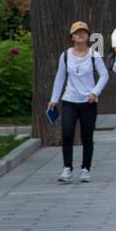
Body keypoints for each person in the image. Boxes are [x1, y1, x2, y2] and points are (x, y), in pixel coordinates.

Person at [48, 21, 109, 184]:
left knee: (87, 136)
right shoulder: (66, 55)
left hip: (88, 102)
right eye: (77, 33)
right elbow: (60, 78)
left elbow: (104, 75)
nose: (80, 35)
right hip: (70, 100)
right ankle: (67, 168)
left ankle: (85, 169)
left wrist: (94, 93)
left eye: (84, 32)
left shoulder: (94, 55)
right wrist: (54, 99)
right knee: (67, 133)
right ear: (72, 37)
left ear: (88, 36)